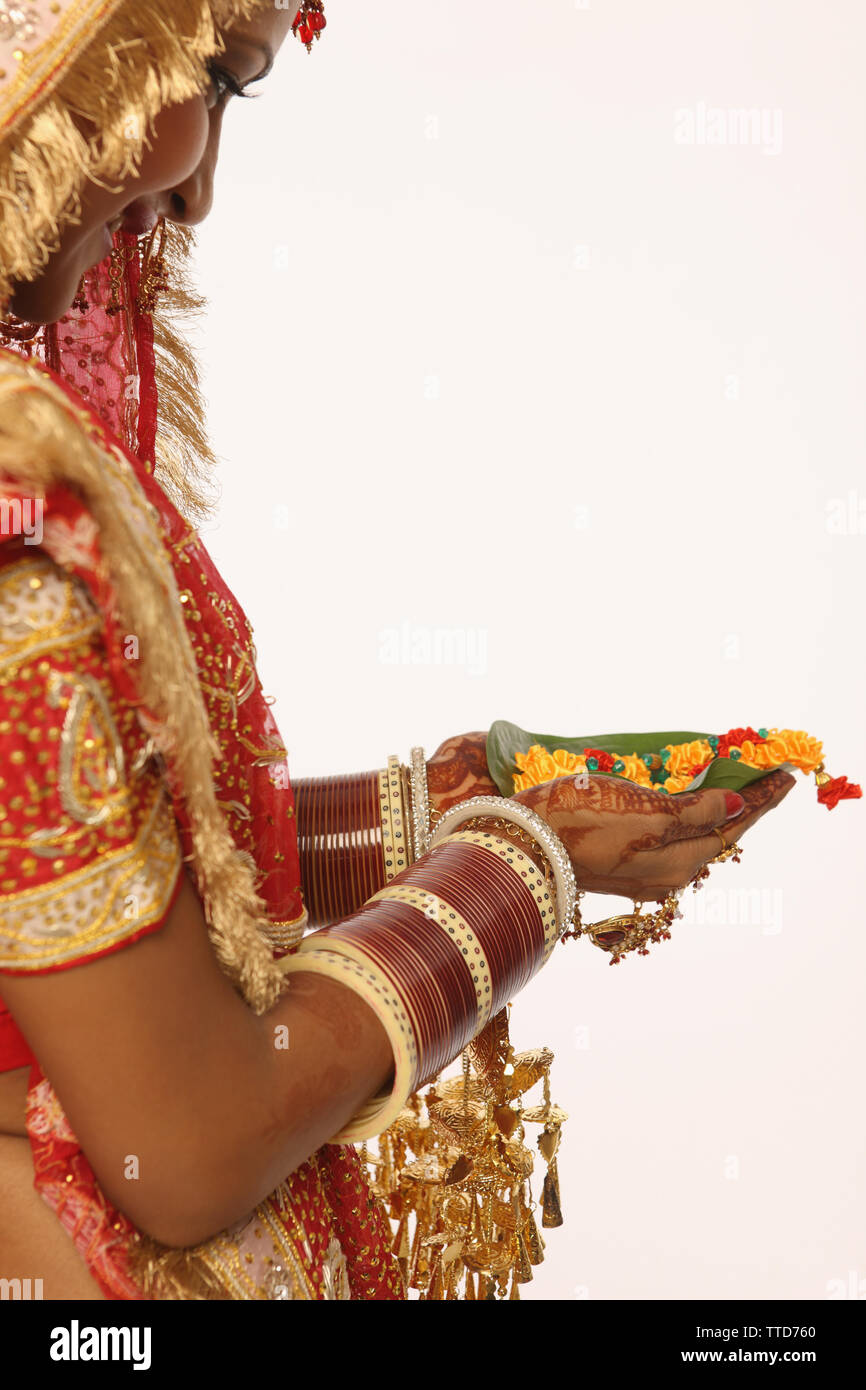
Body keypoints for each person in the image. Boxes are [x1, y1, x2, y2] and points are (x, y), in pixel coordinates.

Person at [0, 0, 794, 1300]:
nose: (195, 193)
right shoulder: (19, 515)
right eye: (212, 76)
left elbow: (62, 879)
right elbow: (184, 1145)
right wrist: (512, 873)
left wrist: (430, 815)